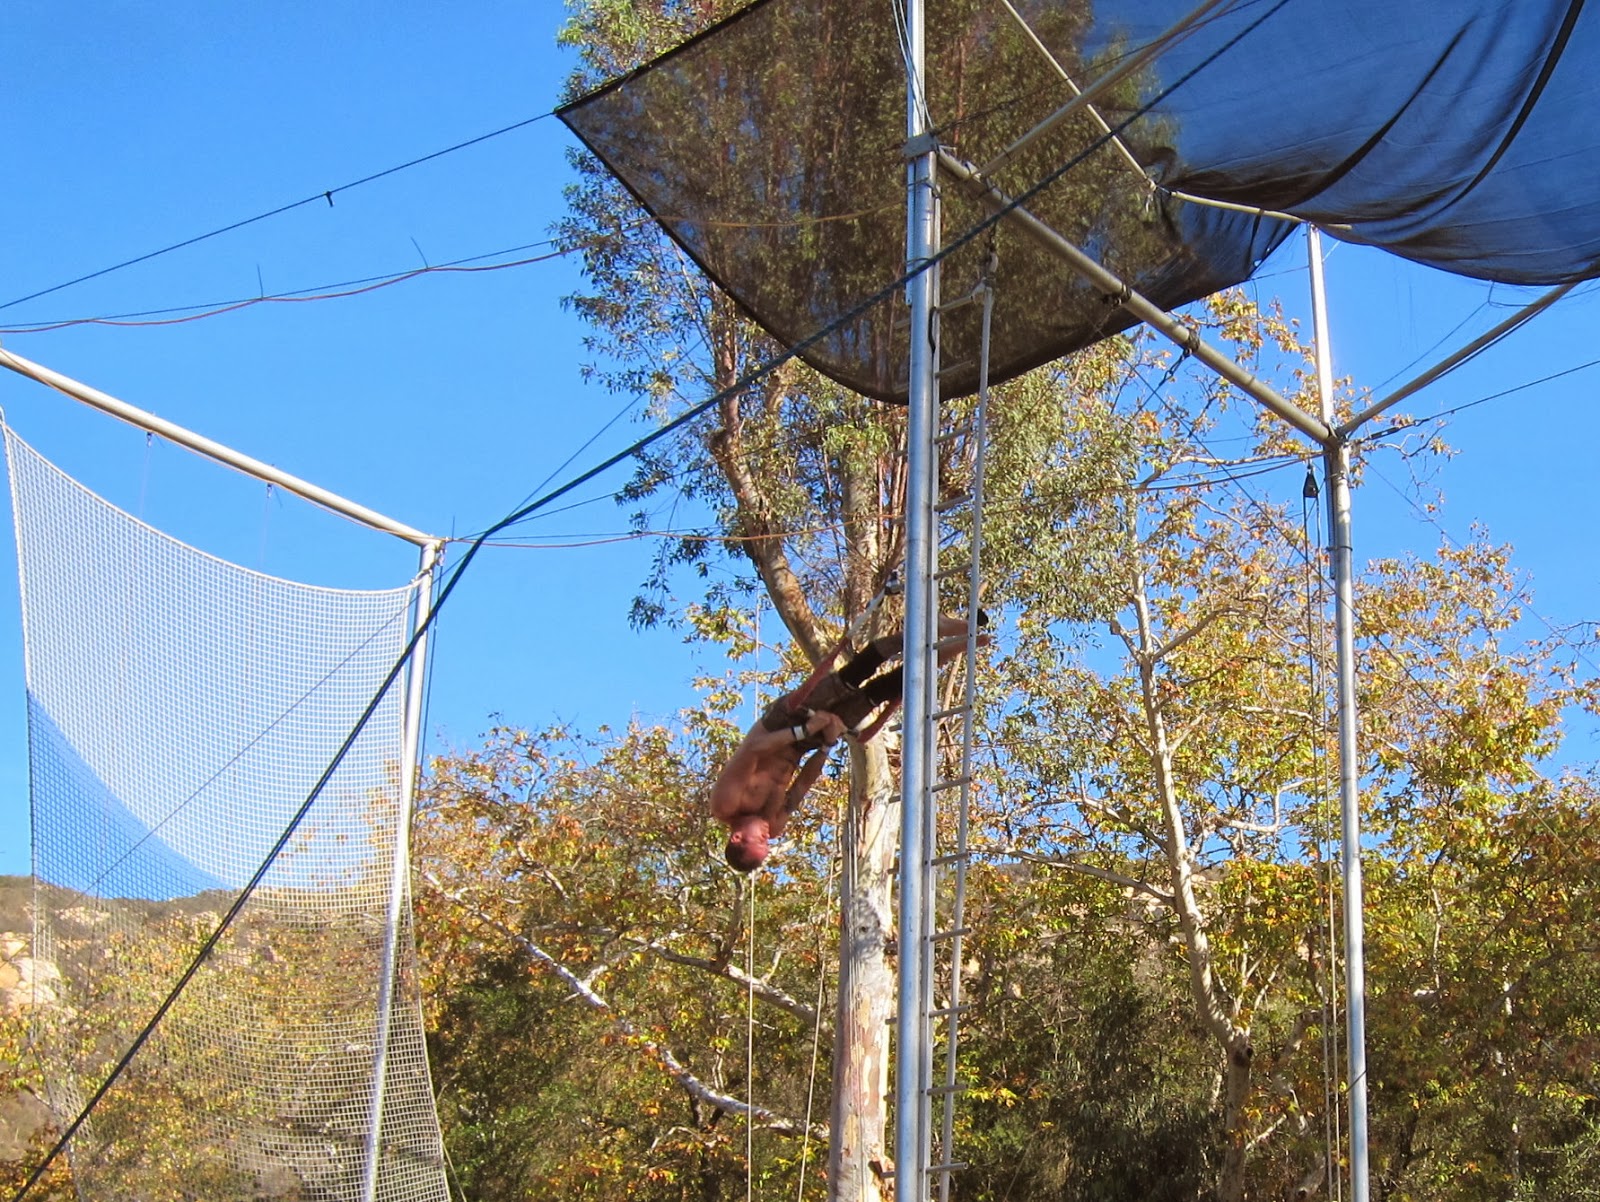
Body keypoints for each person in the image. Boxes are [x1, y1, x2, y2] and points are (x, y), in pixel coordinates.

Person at [710, 614, 986, 872]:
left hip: (783, 724)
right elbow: (801, 786)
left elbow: (755, 747)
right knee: (883, 691)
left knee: (855, 674)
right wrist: (827, 745)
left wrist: (804, 729)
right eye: (767, 844)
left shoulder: (726, 803)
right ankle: (955, 647)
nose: (767, 837)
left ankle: (936, 627)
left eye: (759, 840)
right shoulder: (775, 823)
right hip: (804, 743)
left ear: (737, 837)